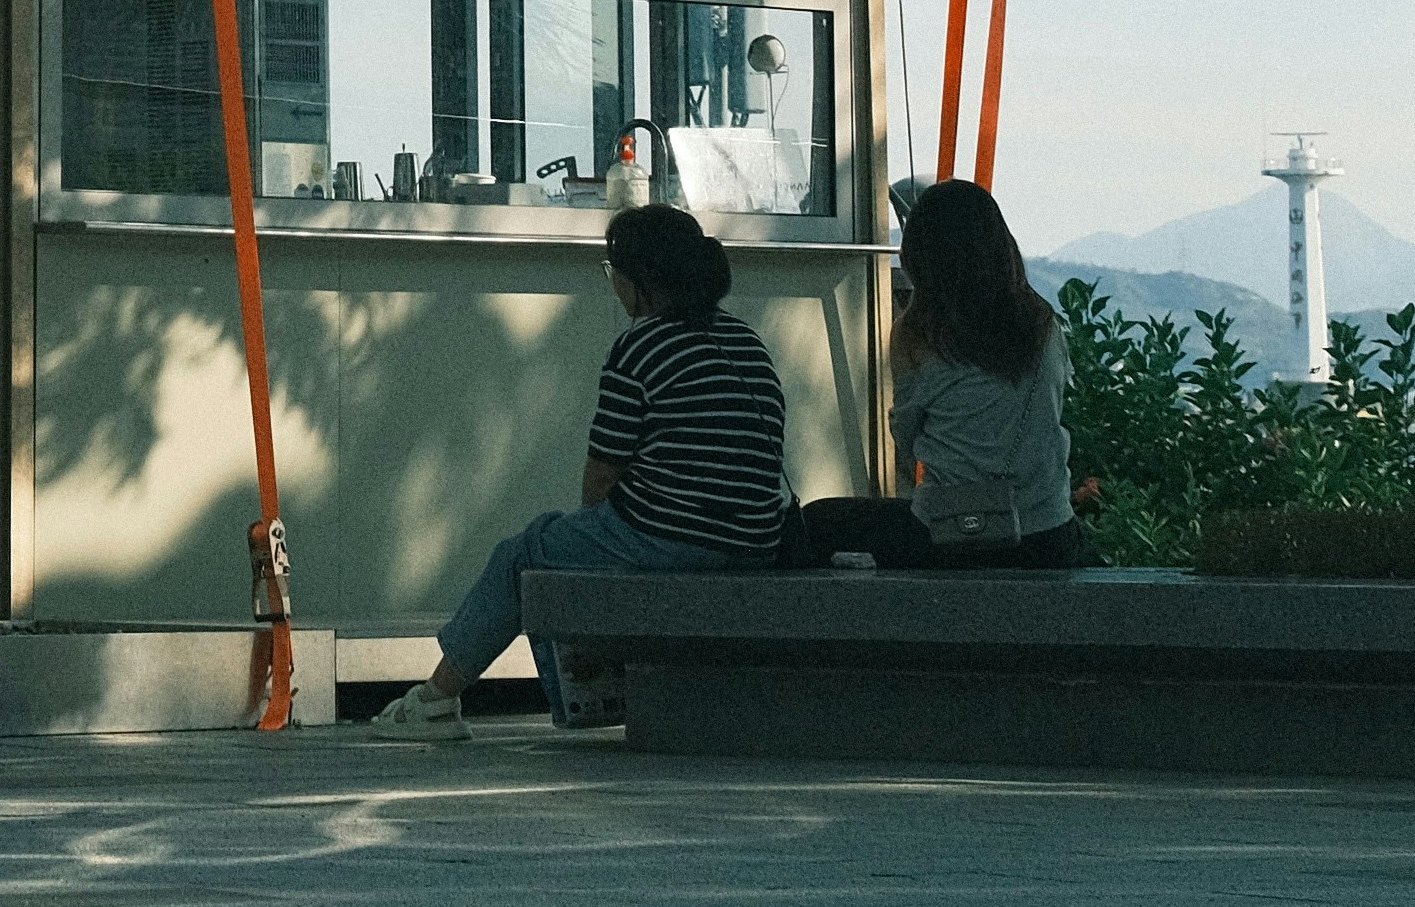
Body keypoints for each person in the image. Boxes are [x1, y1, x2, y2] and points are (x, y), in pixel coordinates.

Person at [375, 202, 790, 738]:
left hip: (670, 538)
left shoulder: (640, 346)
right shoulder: (747, 341)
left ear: (639, 281)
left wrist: (589, 539)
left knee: (525, 554)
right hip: (757, 540)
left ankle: (435, 701)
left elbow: (601, 475)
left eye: (614, 271)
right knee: (564, 542)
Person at [780, 177, 1081, 571]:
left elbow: (907, 443)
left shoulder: (918, 335)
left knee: (814, 522)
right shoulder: (1044, 325)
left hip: (952, 535)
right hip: (1049, 535)